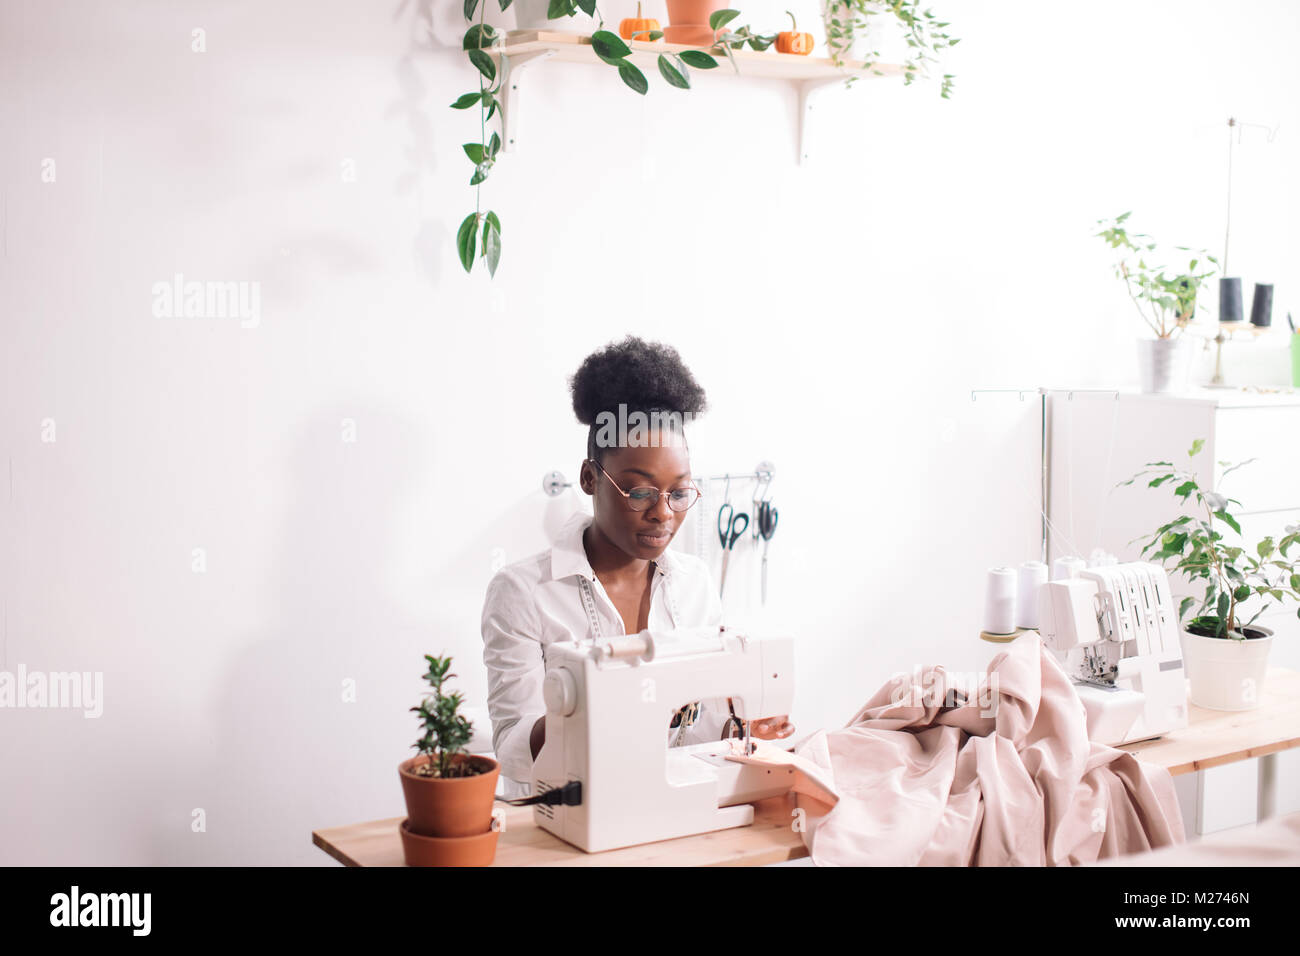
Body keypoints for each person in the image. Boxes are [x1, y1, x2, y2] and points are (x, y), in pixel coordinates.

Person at [481, 336, 794, 797]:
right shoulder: (523, 593)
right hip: (566, 817)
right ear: (590, 479)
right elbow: (511, 746)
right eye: (640, 492)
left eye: (679, 492)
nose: (663, 513)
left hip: (671, 808)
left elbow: (698, 727)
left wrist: (740, 731)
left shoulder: (693, 584)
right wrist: (594, 711)